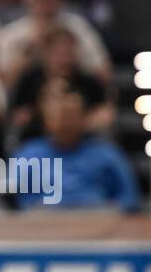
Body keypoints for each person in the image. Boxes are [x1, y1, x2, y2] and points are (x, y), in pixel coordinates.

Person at [11, 79, 139, 212]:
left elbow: (129, 198)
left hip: (97, 220)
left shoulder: (107, 154)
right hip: (43, 222)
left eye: (71, 116)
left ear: (84, 118)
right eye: (59, 116)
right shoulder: (28, 155)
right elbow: (10, 199)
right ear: (46, 120)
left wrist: (112, 211)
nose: (65, 123)